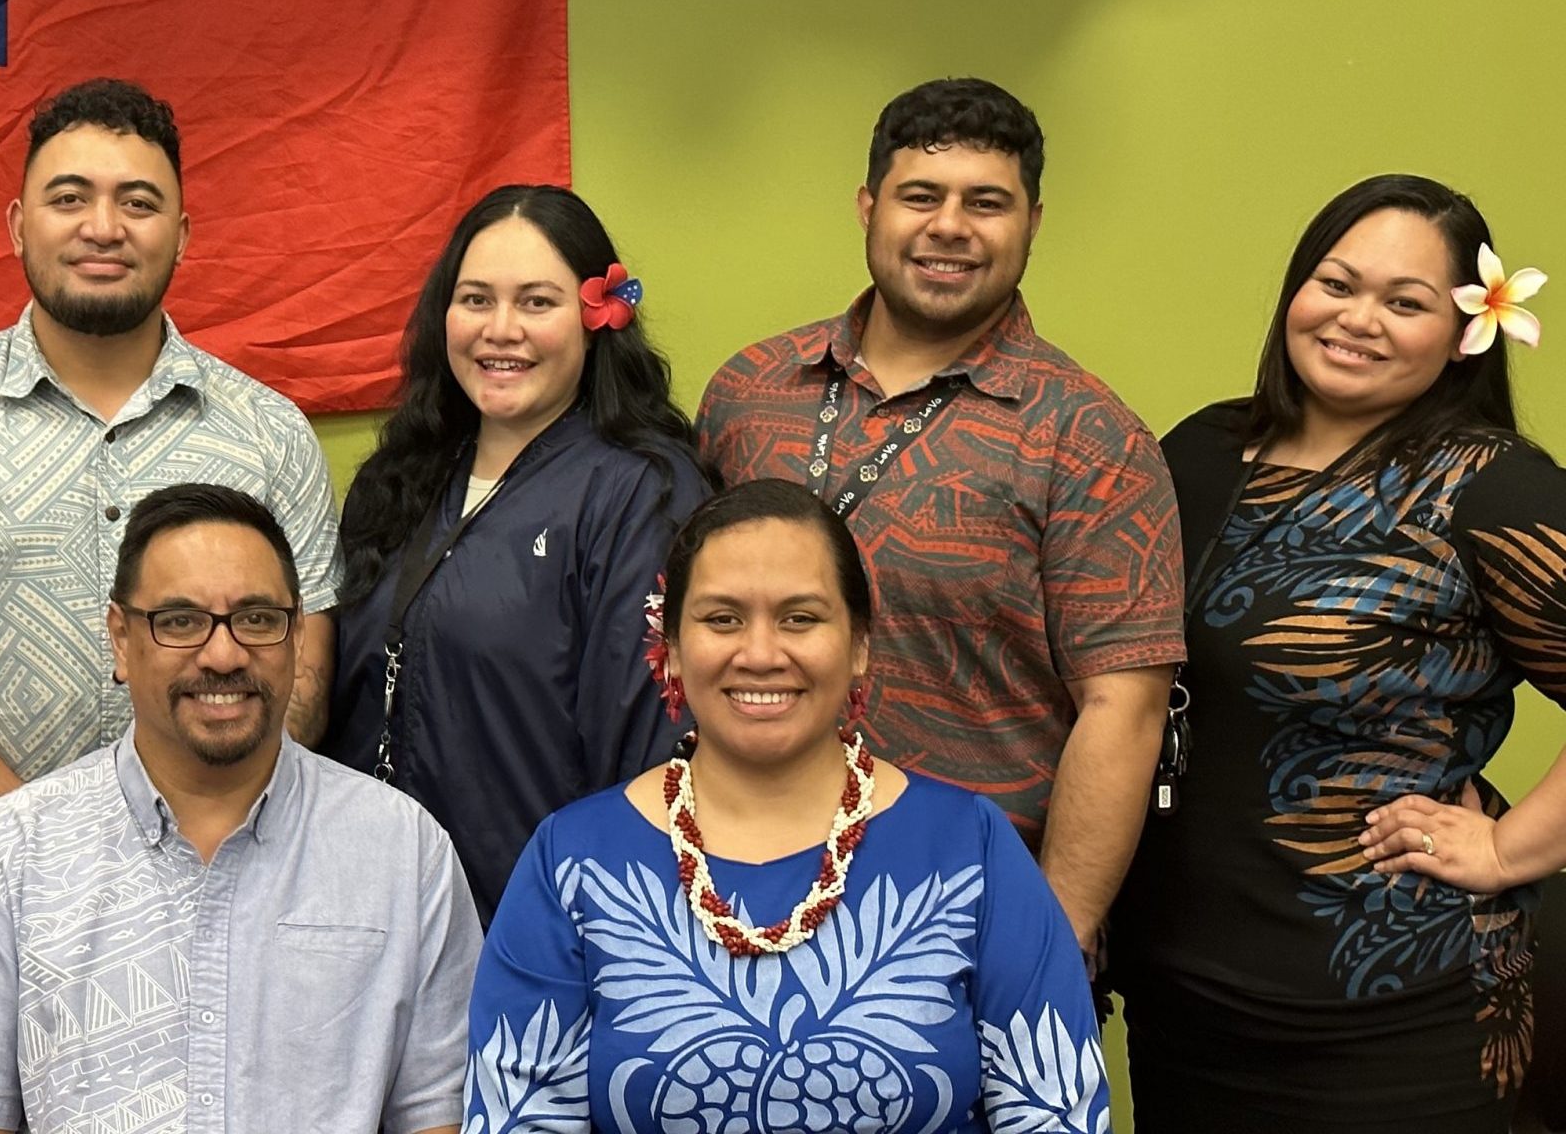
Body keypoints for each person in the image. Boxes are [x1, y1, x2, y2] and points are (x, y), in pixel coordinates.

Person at [0, 78, 341, 939]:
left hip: (226, 893)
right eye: (70, 199)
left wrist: (190, 845)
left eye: (139, 202)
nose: (104, 227)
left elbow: (303, 659)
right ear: (19, 225)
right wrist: (50, 850)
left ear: (182, 234)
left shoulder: (269, 434)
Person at [1112, 174, 1566, 1134]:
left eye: (1405, 303)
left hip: (1397, 1017)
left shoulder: (1491, 490)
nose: (1358, 319)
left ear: (1465, 332)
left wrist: (1506, 848)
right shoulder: (1201, 448)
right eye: (1336, 283)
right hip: (1184, 999)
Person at [692, 77, 1180, 951]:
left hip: (963, 918)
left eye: (986, 202)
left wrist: (1049, 942)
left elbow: (1123, 710)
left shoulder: (1090, 439)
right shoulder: (749, 392)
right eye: (921, 196)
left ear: (1032, 222)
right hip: (732, 898)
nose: (949, 225)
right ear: (869, 207)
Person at [466, 480, 1109, 1134]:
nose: (762, 654)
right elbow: (522, 1116)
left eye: (800, 618)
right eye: (722, 619)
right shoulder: (573, 861)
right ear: (674, 649)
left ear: (860, 644)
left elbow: (1057, 1111)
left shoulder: (968, 850)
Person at [0, 483, 477, 1134]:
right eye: (180, 621)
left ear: (296, 637)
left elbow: (439, 1114)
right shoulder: (6, 857)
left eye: (257, 618)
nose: (224, 654)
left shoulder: (402, 852)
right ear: (121, 640)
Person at [325, 184, 707, 919]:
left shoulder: (641, 492)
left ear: (598, 317)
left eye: (537, 302)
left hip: (535, 928)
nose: (501, 330)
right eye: (476, 300)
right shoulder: (401, 479)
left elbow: (648, 758)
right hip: (368, 918)